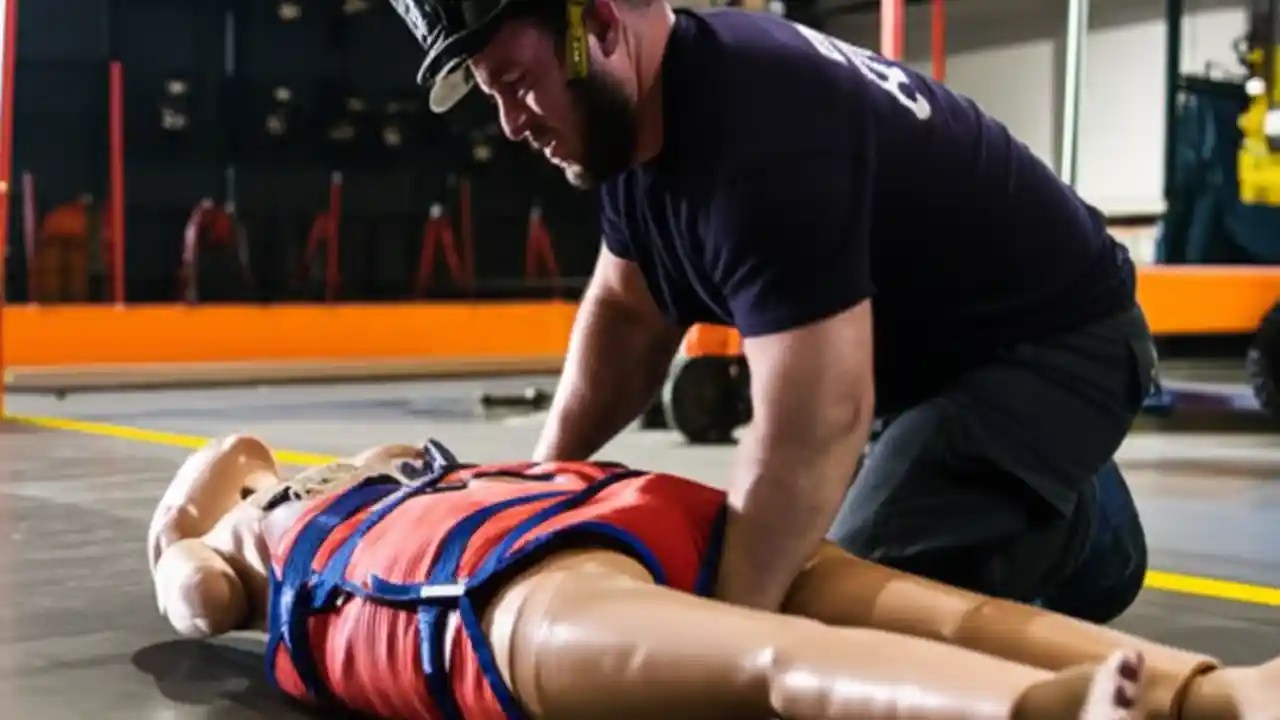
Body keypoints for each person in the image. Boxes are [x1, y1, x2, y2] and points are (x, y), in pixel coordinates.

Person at [384, 0, 1156, 620]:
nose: (513, 123)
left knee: (829, 617)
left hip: (1051, 350)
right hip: (927, 367)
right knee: (825, 552)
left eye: (518, 83)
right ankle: (1064, 516)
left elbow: (814, 426)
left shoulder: (760, 131)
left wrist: (730, 651)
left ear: (601, 26)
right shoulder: (639, 121)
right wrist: (534, 483)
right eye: (495, 97)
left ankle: (1060, 511)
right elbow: (627, 315)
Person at [149, 433, 1279, 720]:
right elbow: (196, 598)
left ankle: (1207, 693)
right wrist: (190, 548)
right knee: (783, 653)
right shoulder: (228, 553)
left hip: (505, 550)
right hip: (490, 578)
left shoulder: (293, 519)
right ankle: (1050, 708)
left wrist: (209, 545)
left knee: (823, 628)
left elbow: (196, 597)